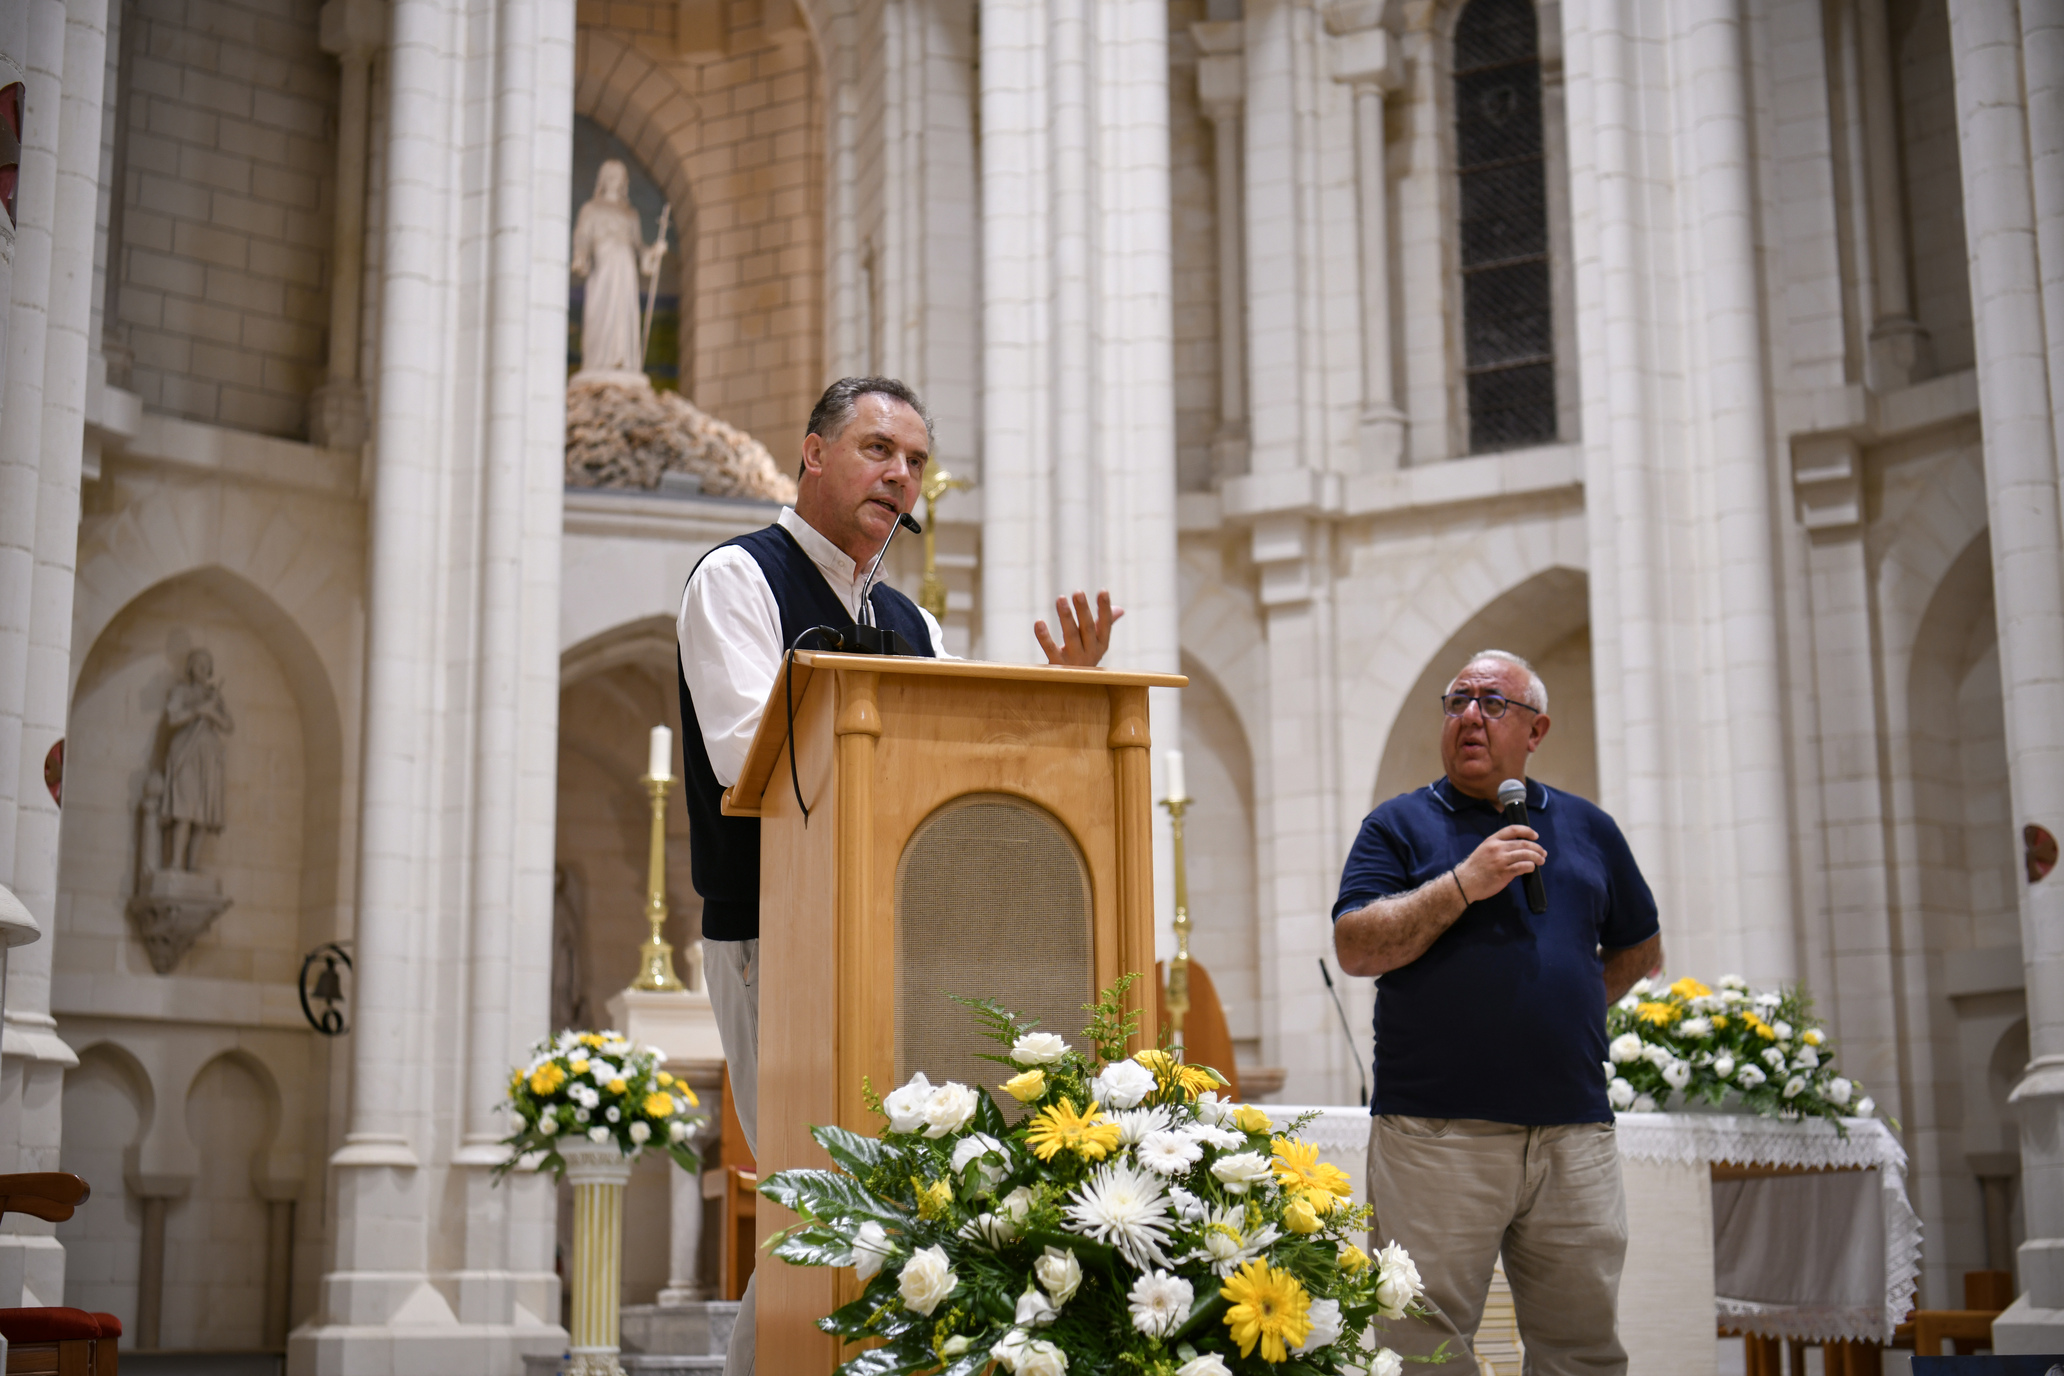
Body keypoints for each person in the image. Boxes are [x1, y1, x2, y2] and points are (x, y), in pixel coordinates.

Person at [675, 376, 1122, 1376]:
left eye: (914, 460)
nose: (900, 475)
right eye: (878, 449)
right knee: (816, 1194)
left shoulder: (910, 621)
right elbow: (748, 754)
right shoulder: (739, 580)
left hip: (908, 946)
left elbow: (963, 770)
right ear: (812, 453)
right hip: (775, 936)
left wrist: (1065, 701)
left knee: (905, 1195)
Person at [1331, 649, 1663, 1375]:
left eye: (1491, 702)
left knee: (1583, 1351)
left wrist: (1566, 1007)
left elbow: (1640, 948)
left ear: (1535, 730)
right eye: (1456, 702)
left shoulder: (1587, 828)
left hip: (1572, 1134)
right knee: (1426, 1349)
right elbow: (1355, 946)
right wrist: (1462, 883)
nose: (1470, 716)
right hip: (1437, 1133)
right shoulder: (1398, 826)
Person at [571, 159, 666, 376]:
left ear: (625, 182)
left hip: (625, 269)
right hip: (603, 266)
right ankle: (598, 361)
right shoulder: (591, 209)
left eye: (619, 177)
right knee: (601, 310)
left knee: (623, 311)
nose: (615, 181)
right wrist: (580, 256)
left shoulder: (629, 213)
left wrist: (654, 252)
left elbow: (639, 248)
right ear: (602, 180)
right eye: (610, 176)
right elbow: (582, 237)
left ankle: (623, 359)